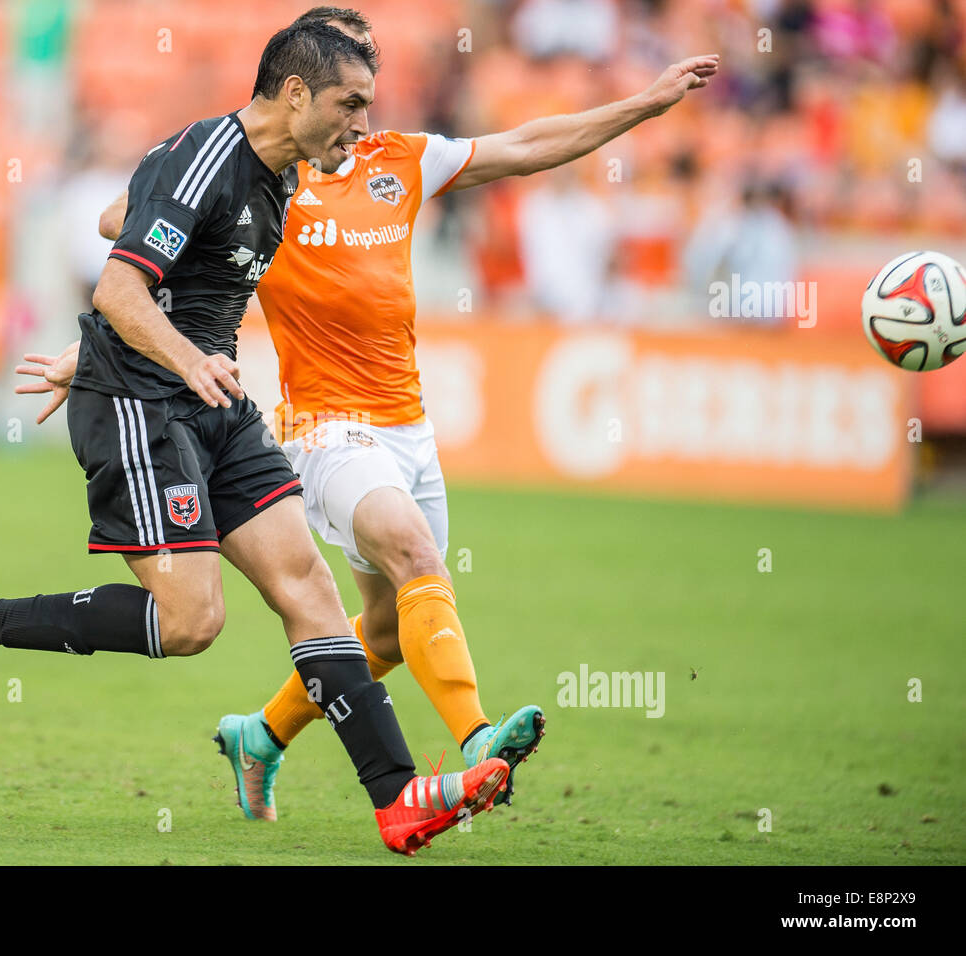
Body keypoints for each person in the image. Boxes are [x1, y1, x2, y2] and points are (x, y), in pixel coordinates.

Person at [75, 7, 719, 821]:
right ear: (307, 82)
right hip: (323, 431)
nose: (366, 106)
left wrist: (643, 104)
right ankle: (477, 739)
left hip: (407, 425)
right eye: (353, 81)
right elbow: (131, 231)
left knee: (382, 632)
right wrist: (115, 348)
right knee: (414, 553)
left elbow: (526, 146)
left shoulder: (402, 160)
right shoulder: (266, 171)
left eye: (373, 73)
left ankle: (260, 736)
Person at [0, 21, 509, 857]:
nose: (363, 124)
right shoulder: (205, 159)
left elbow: (163, 260)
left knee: (312, 591)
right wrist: (133, 352)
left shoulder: (283, 172)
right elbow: (120, 282)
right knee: (191, 623)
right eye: (350, 103)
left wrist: (121, 344)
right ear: (295, 94)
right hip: (142, 409)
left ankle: (397, 797)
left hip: (208, 398)